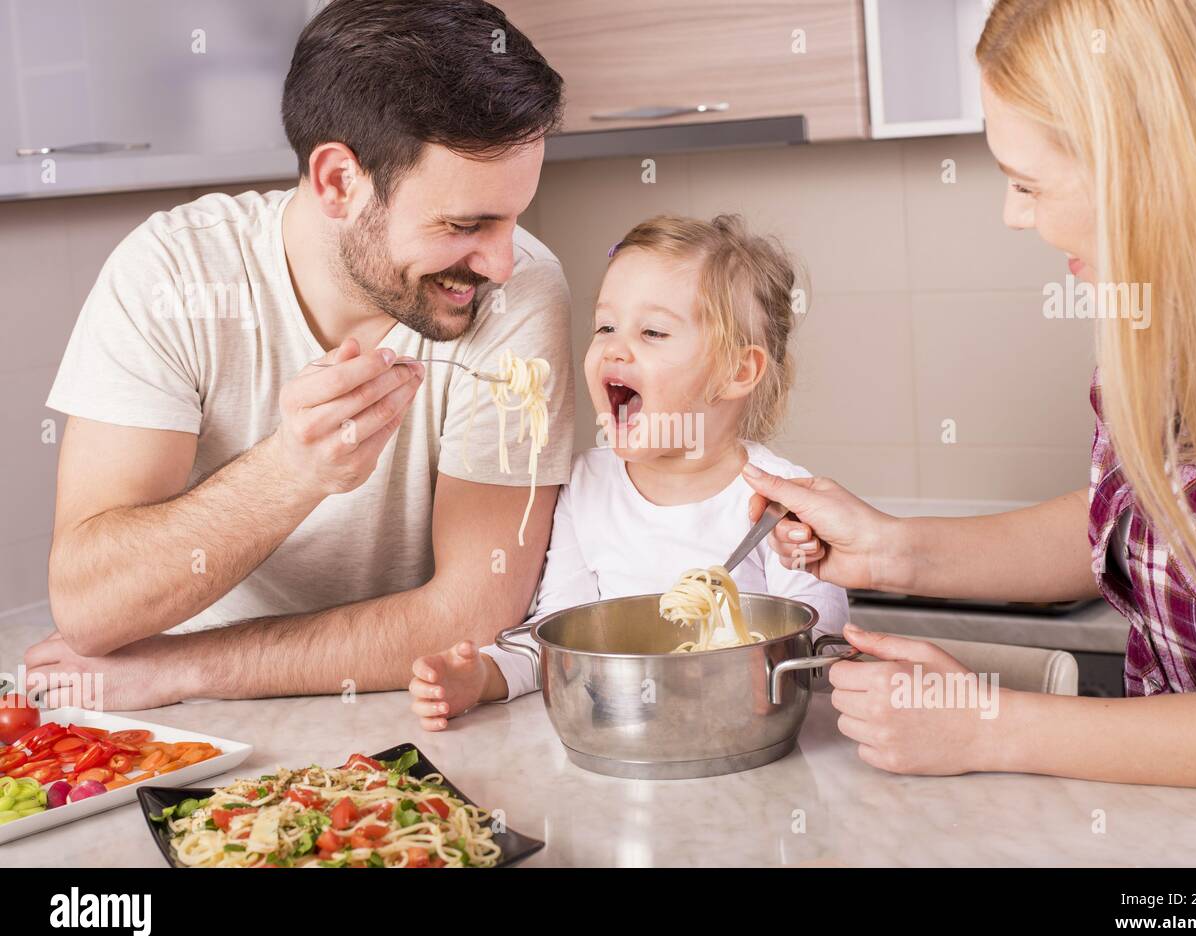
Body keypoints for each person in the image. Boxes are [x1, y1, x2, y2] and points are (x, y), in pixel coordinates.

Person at [745, 0, 1196, 789]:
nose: (1012, 214)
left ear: (1152, 168)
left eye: (1027, 183)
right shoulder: (1163, 316)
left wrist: (985, 726)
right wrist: (890, 549)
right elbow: (1134, 518)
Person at [26, 0, 575, 709]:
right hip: (195, 732)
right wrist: (292, 471)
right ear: (339, 182)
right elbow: (89, 606)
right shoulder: (172, 275)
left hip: (402, 703)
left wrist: (178, 669)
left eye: (513, 218)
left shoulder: (520, 292)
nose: (500, 262)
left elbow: (473, 615)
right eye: (466, 224)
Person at [408, 214, 850, 726]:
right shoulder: (584, 487)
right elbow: (556, 637)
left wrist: (768, 661)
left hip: (742, 735)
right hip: (619, 735)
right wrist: (482, 676)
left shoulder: (781, 500)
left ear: (737, 371)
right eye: (606, 326)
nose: (615, 347)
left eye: (653, 332)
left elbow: (821, 643)